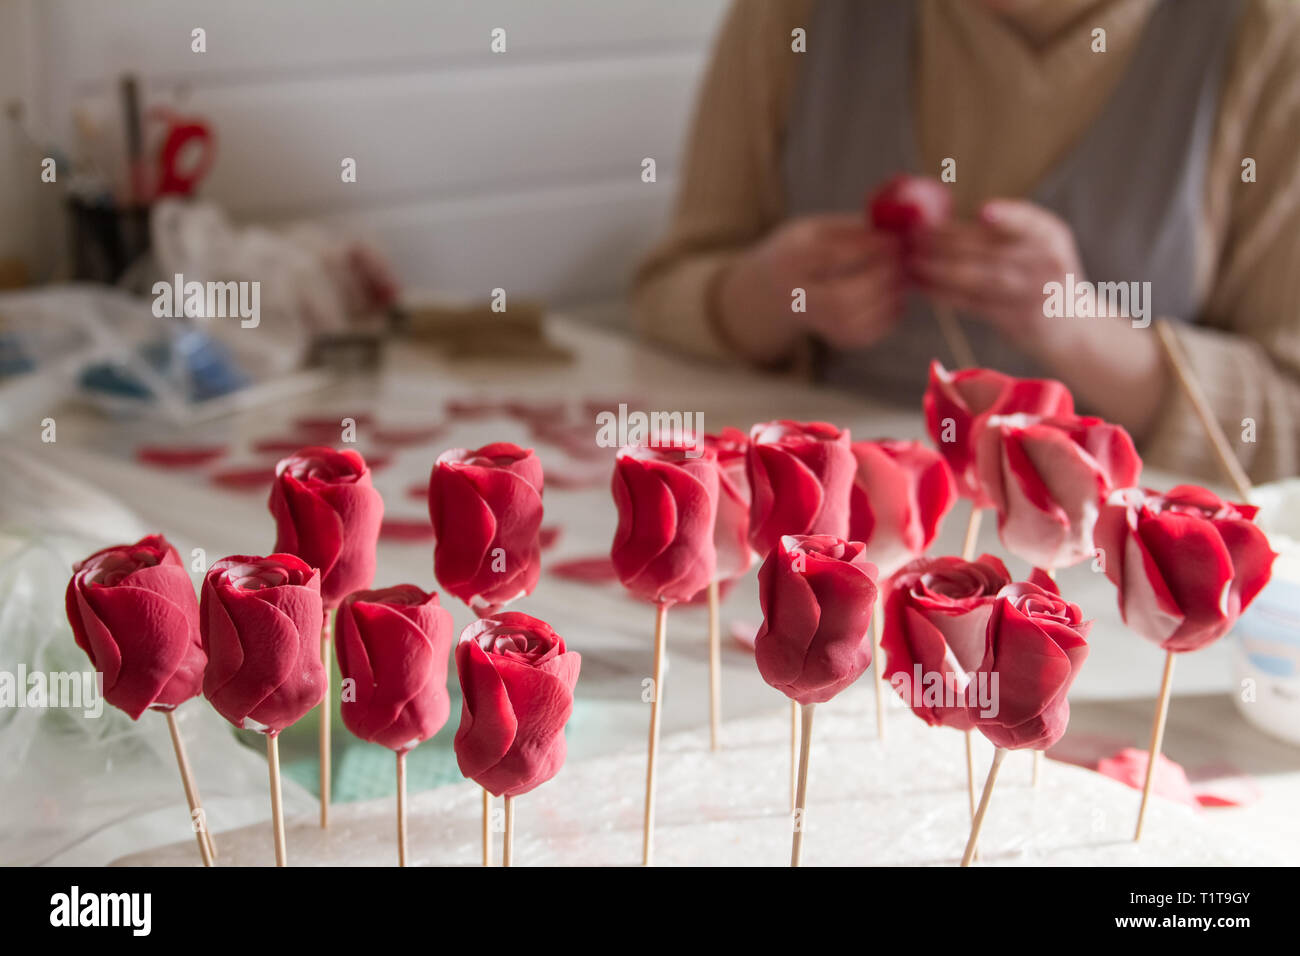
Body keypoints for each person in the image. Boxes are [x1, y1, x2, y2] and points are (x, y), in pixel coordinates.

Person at [632, 0, 1300, 482]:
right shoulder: (797, 16)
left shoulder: (1268, 39)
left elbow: (1287, 422)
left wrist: (1082, 333)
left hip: (1112, 586)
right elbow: (663, 295)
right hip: (820, 540)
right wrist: (769, 295)